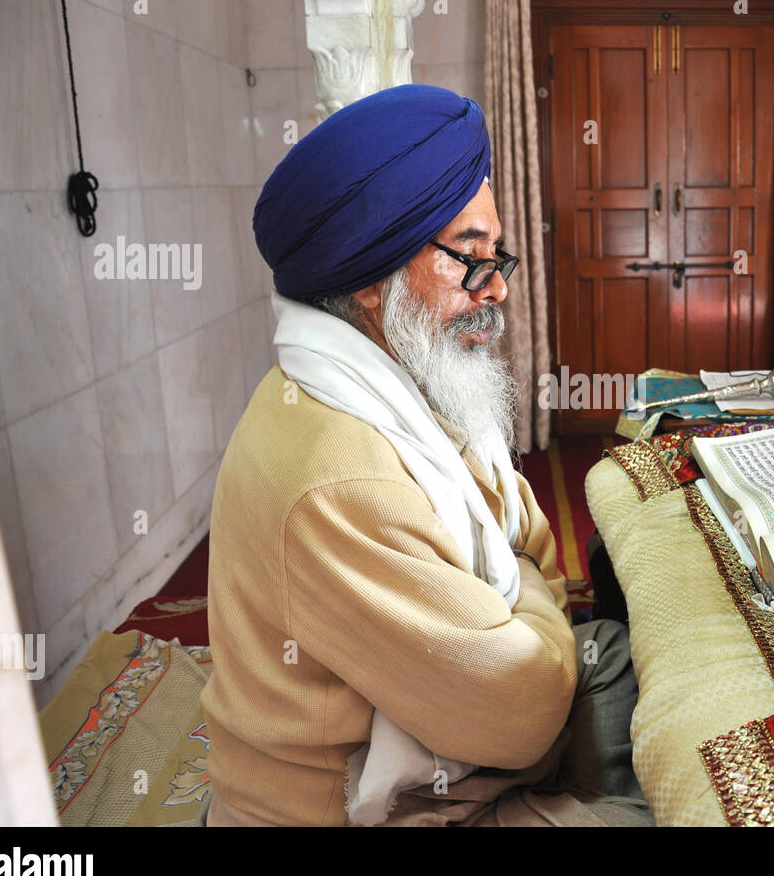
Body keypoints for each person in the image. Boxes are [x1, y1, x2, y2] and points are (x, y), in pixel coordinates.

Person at [199, 84, 651, 826]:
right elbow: (525, 708)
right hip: (357, 810)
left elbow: (530, 532)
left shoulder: (399, 377)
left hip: (444, 746)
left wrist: (522, 594)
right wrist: (527, 593)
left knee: (616, 657)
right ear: (374, 280)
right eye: (470, 260)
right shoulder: (339, 475)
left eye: (496, 254)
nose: (498, 285)